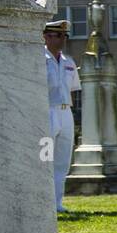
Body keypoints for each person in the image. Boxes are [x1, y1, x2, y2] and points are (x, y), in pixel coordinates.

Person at [41, 17, 80, 213]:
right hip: (46, 111)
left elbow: (72, 89)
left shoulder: (69, 62)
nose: (62, 39)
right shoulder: (37, 60)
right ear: (46, 36)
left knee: (62, 161)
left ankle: (57, 203)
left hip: (65, 113)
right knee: (44, 159)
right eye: (58, 35)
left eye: (64, 35)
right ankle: (42, 202)